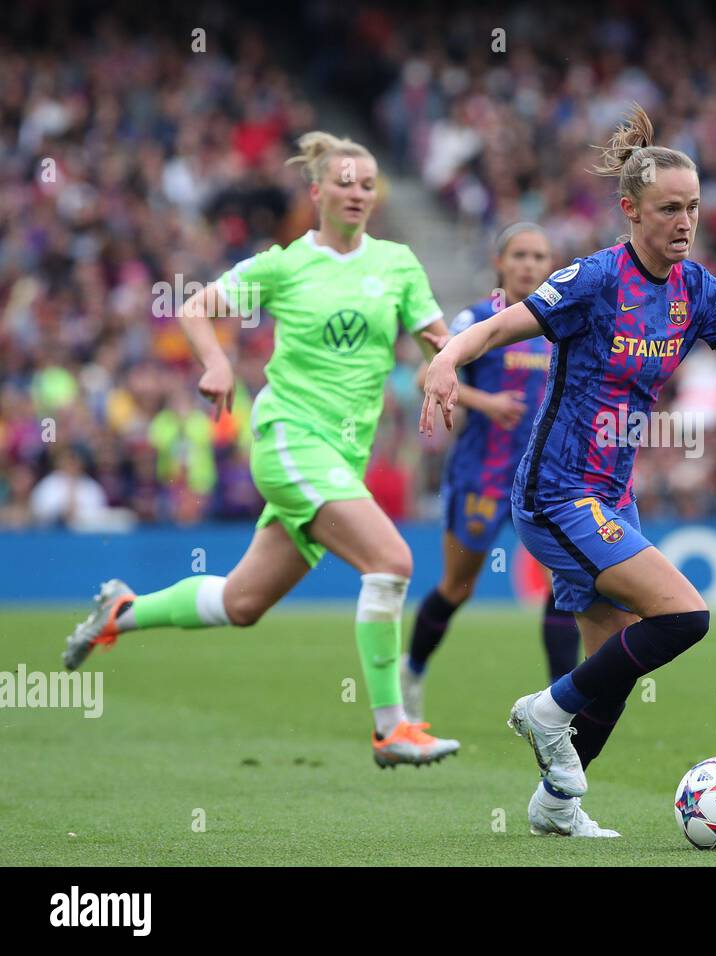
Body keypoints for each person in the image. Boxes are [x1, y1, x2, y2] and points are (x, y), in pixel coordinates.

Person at [420, 105, 716, 837]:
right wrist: (446, 359)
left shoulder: (698, 291)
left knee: (618, 669)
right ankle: (546, 709)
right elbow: (505, 323)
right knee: (686, 615)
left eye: (693, 207)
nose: (685, 221)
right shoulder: (596, 279)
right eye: (669, 208)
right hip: (555, 492)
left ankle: (556, 808)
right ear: (631, 210)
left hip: (610, 496)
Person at [62, 132, 460, 769]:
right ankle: (393, 729)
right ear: (316, 192)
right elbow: (195, 308)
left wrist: (448, 364)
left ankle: (122, 611)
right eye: (345, 182)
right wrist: (218, 363)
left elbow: (437, 340)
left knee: (240, 604)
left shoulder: (398, 265)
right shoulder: (282, 265)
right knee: (390, 561)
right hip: (291, 442)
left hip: (342, 460)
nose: (358, 192)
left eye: (367, 183)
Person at [401, 223, 581, 726]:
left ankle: (558, 711)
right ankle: (411, 673)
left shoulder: (562, 322)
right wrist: (485, 400)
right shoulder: (480, 318)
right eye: (519, 255)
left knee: (564, 584)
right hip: (482, 475)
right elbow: (425, 374)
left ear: (551, 265)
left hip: (547, 482)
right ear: (500, 263)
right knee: (458, 588)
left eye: (539, 256)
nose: (529, 264)